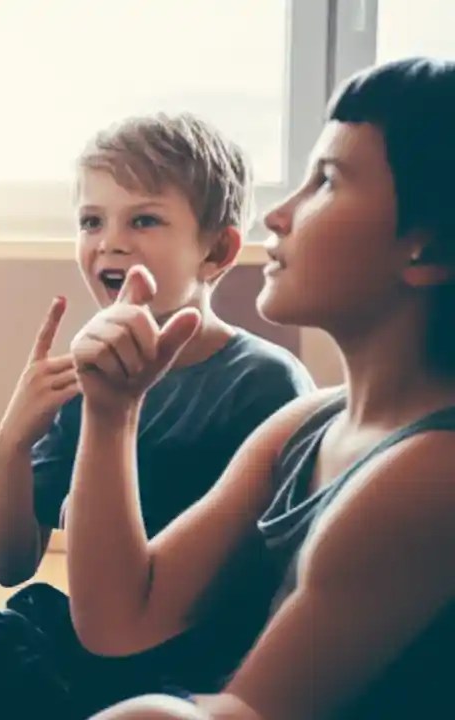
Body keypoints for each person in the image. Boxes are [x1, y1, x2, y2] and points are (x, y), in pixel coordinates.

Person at [0, 114, 314, 720]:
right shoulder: (86, 376)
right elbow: (10, 563)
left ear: (219, 250)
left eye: (143, 220)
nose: (110, 241)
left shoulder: (263, 383)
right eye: (92, 221)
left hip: (192, 663)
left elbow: (252, 593)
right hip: (83, 654)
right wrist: (13, 440)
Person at [74, 57, 455, 719]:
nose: (278, 216)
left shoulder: (431, 472)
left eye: (326, 181)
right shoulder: (305, 425)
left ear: (425, 249)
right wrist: (112, 413)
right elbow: (118, 618)